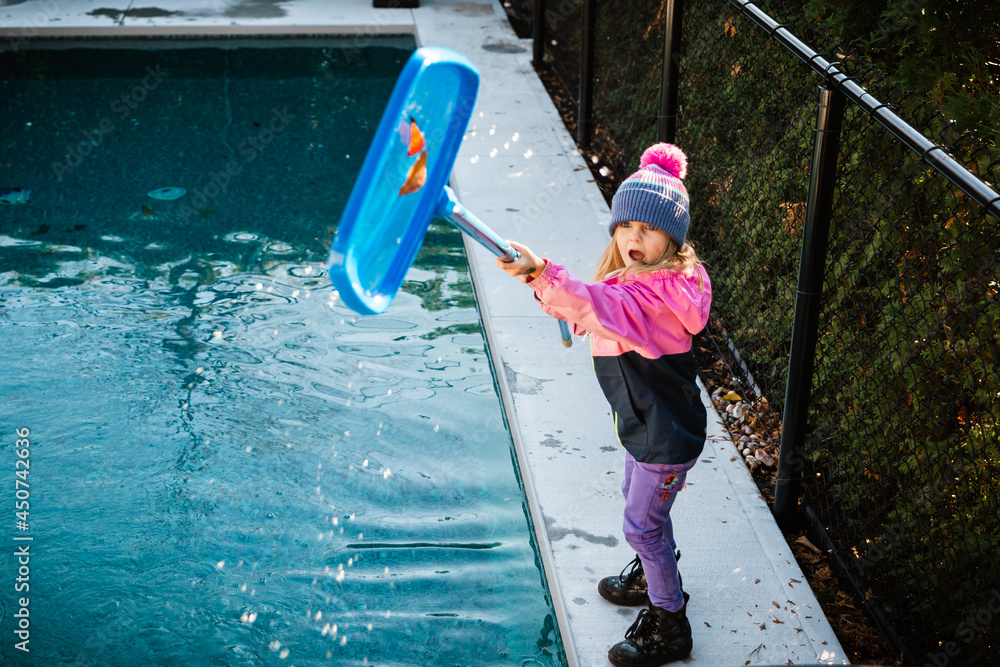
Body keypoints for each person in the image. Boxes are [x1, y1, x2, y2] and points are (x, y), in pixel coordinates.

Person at [496, 143, 711, 666]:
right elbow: (600, 311)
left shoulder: (653, 297)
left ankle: (670, 622)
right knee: (642, 510)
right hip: (644, 427)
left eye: (649, 228)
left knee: (641, 523)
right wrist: (558, 297)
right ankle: (657, 566)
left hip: (663, 435)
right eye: (626, 225)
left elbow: (603, 307)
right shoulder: (647, 281)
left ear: (672, 238)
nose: (634, 237)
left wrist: (540, 274)